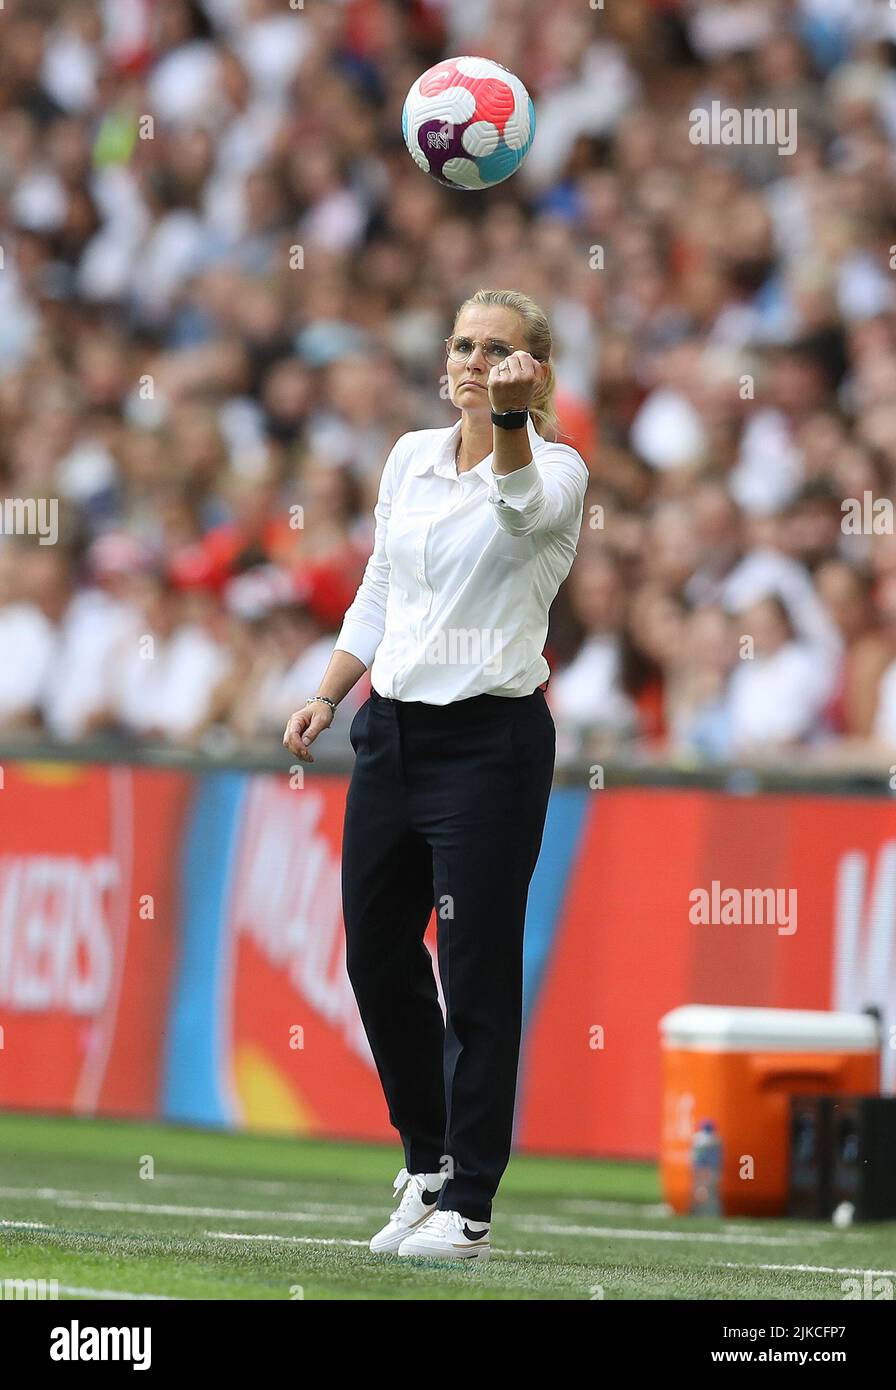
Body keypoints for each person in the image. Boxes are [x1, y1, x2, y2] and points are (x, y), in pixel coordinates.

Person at [283, 288, 588, 1262]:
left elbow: (510, 511)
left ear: (533, 370)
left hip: (488, 745)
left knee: (475, 972)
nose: (470, 359)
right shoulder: (411, 455)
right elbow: (380, 582)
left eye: (496, 350)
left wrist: (506, 420)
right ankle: (424, 1159)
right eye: (461, 343)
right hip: (392, 732)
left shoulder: (557, 470)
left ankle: (470, 1202)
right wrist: (330, 692)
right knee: (372, 952)